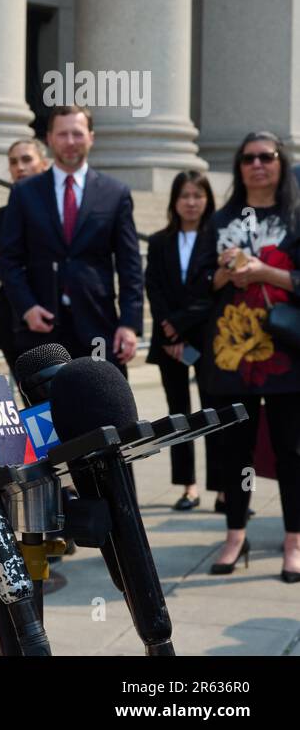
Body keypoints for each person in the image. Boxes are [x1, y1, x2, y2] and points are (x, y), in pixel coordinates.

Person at [199, 132, 300, 582]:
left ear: (281, 163)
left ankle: (294, 539)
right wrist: (224, 276)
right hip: (230, 352)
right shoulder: (220, 218)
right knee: (233, 449)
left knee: (290, 451)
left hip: (285, 351)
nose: (258, 165)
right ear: (238, 167)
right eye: (248, 158)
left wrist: (263, 271)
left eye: (267, 157)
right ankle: (235, 534)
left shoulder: (296, 217)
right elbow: (199, 283)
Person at [0, 104, 144, 370]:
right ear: (49, 139)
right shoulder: (24, 193)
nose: (70, 142)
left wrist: (130, 323)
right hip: (41, 327)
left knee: (104, 408)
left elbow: (130, 264)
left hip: (99, 327)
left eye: (77, 134)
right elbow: (9, 259)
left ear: (91, 137)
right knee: (46, 410)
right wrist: (27, 307)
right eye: (62, 134)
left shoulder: (115, 193)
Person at [144, 171, 218, 511]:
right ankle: (188, 485)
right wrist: (168, 331)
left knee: (214, 412)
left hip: (208, 341)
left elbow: (213, 294)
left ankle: (223, 488)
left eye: (197, 195)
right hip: (170, 342)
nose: (191, 202)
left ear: (207, 200)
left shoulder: (217, 238)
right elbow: (154, 288)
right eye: (185, 195)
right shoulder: (160, 241)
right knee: (178, 414)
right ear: (175, 201)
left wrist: (178, 325)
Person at [0, 138, 51, 377]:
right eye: (13, 162)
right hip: (11, 321)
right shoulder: (2, 216)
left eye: (27, 159)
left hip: (53, 316)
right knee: (32, 396)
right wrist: (5, 260)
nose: (20, 167)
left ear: (44, 164)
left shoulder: (57, 211)